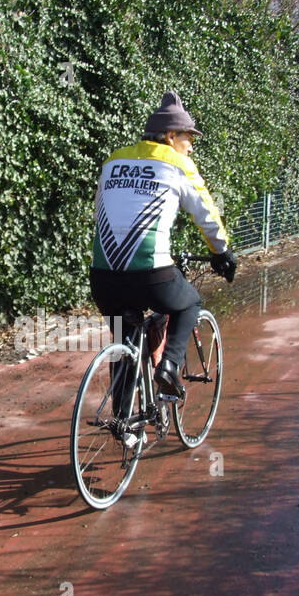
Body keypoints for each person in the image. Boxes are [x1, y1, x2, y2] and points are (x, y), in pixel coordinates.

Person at [90, 91, 236, 411]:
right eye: (188, 137)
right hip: (150, 274)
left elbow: (104, 210)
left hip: (102, 278)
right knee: (189, 303)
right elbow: (206, 215)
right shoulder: (178, 163)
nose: (191, 146)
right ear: (171, 136)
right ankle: (168, 367)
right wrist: (221, 253)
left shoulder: (113, 160)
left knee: (124, 342)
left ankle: (124, 423)